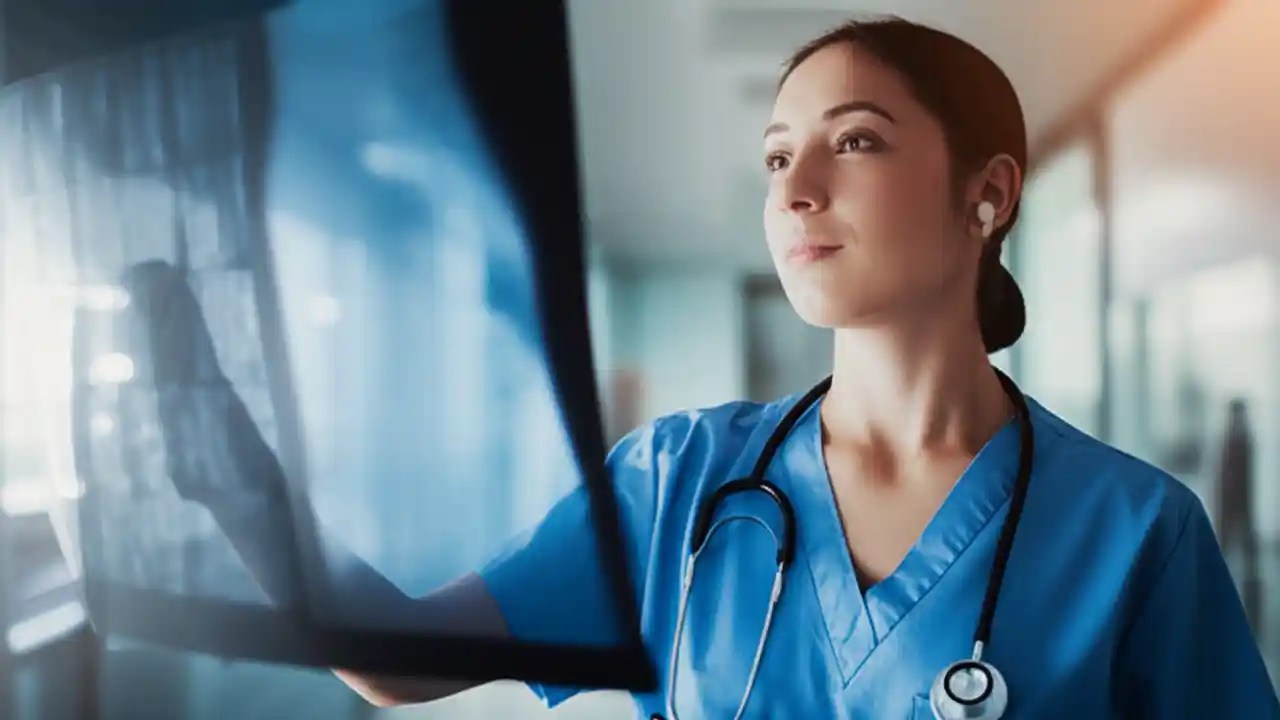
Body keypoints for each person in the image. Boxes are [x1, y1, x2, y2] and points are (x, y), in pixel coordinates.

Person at [139, 16, 1280, 719]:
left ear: (985, 194)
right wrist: (225, 469)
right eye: (777, 155)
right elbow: (398, 663)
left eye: (857, 139)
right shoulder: (677, 480)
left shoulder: (1134, 532)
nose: (794, 188)